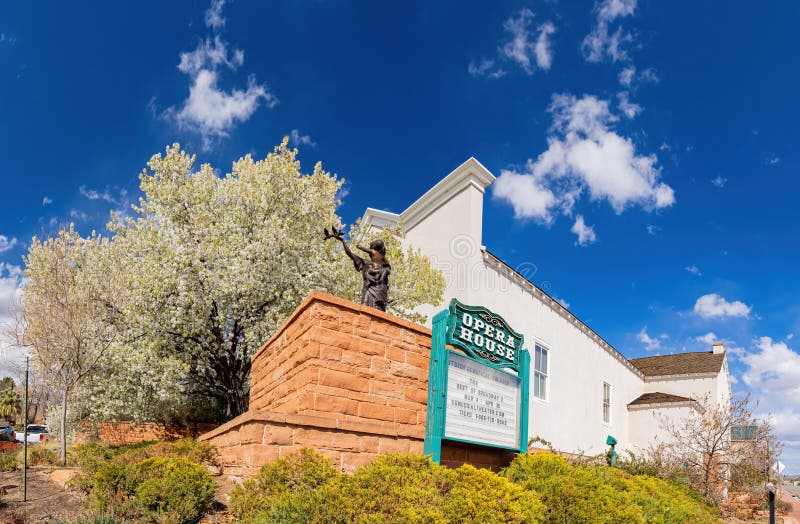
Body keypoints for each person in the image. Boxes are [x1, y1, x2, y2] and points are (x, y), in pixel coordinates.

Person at [326, 228, 391, 311]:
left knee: (378, 313)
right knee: (364, 310)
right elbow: (350, 254)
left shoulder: (385, 265)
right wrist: (342, 241)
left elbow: (385, 273)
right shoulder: (365, 263)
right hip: (368, 290)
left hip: (379, 293)